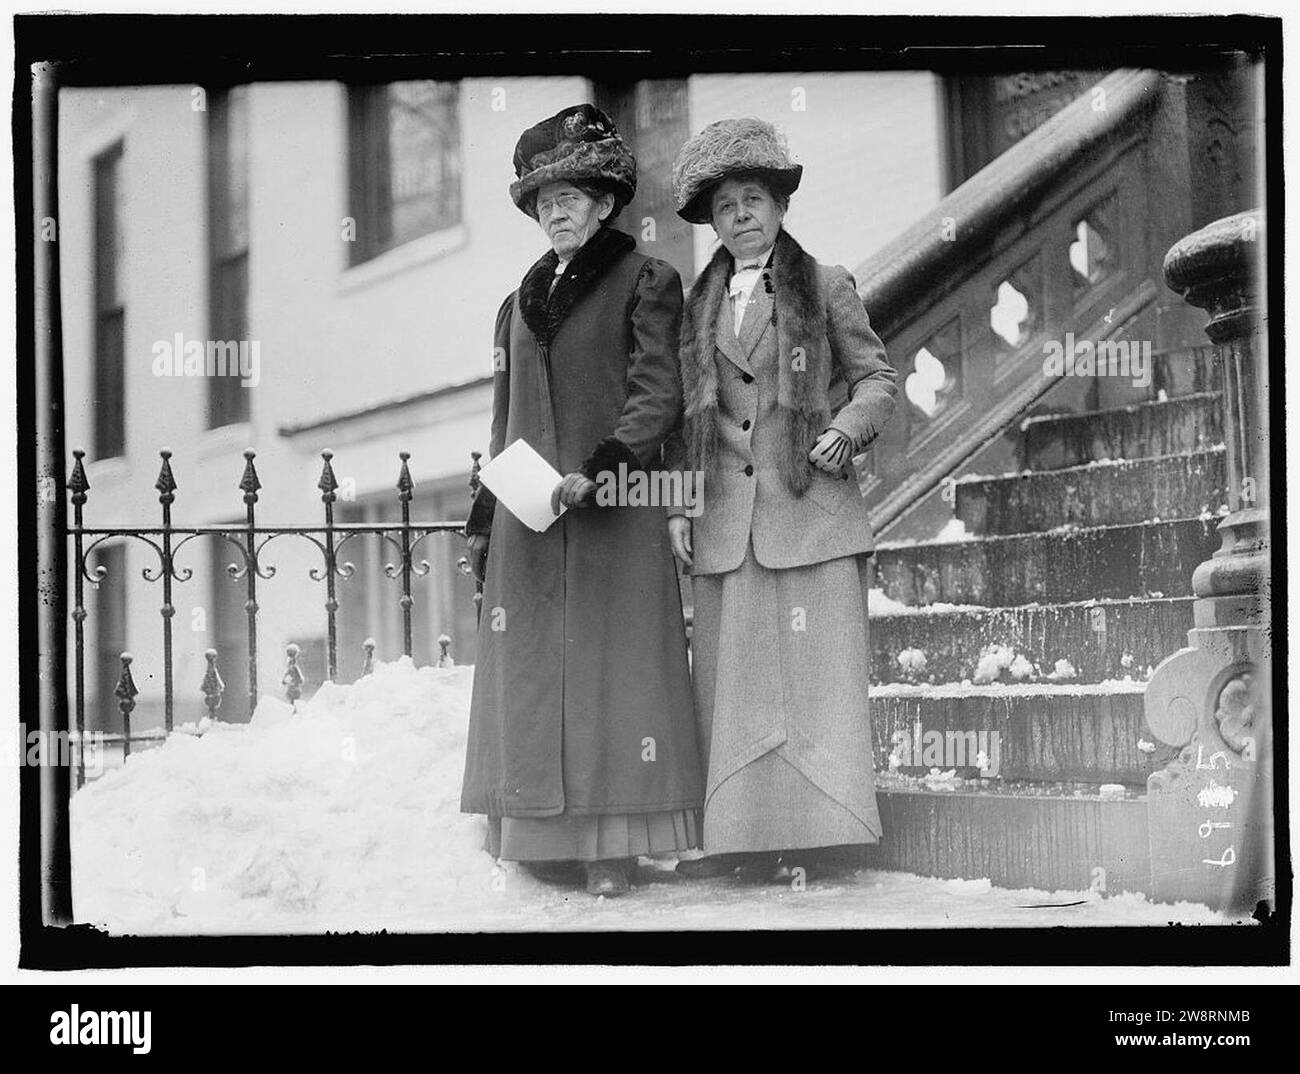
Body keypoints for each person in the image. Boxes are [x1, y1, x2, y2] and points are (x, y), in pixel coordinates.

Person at [461, 105, 704, 897]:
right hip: (531, 517)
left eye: (569, 194)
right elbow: (504, 418)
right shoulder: (515, 303)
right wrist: (487, 512)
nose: (554, 209)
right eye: (542, 200)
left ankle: (612, 847)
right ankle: (543, 838)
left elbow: (657, 393)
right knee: (536, 671)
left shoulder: (647, 280)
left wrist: (602, 472)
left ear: (604, 202)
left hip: (613, 507)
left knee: (611, 672)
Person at [664, 117, 898, 881]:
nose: (741, 214)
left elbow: (876, 379)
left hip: (811, 514)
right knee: (739, 691)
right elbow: (678, 418)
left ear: (781, 205)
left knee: (813, 682)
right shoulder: (694, 310)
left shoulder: (824, 284)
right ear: (711, 220)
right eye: (725, 204)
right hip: (727, 524)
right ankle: (744, 840)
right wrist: (674, 505)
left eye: (754, 197)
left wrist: (847, 431)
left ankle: (822, 837)